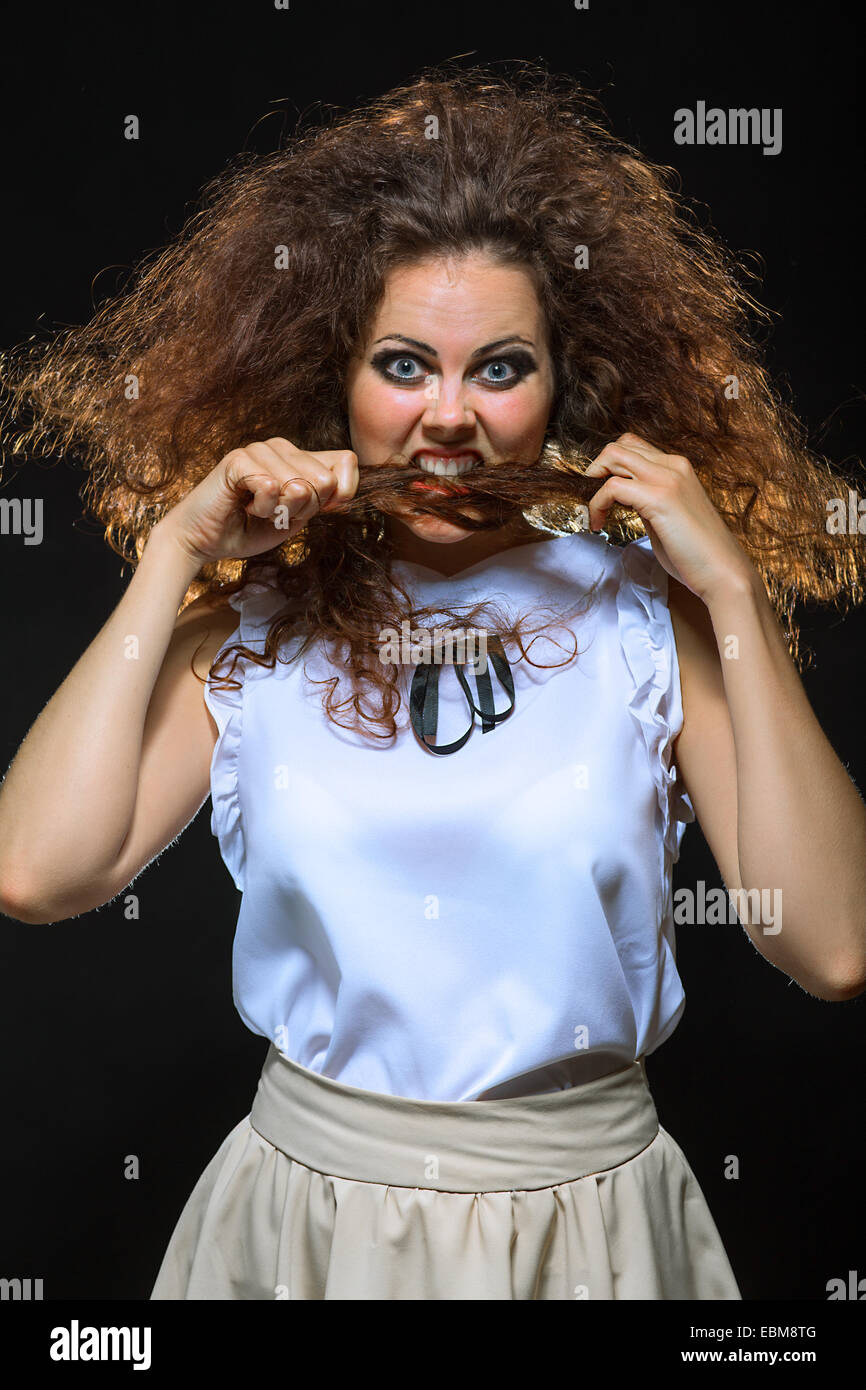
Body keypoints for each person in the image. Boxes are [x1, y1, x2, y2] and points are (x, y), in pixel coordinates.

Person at [1, 62, 865, 1301]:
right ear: (335, 381)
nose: (447, 417)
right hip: (303, 1231)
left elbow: (831, 946)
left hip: (590, 1231)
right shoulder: (250, 621)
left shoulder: (650, 620)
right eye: (403, 365)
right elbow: (35, 871)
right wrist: (173, 557)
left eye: (498, 368)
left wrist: (729, 593)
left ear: (565, 384)